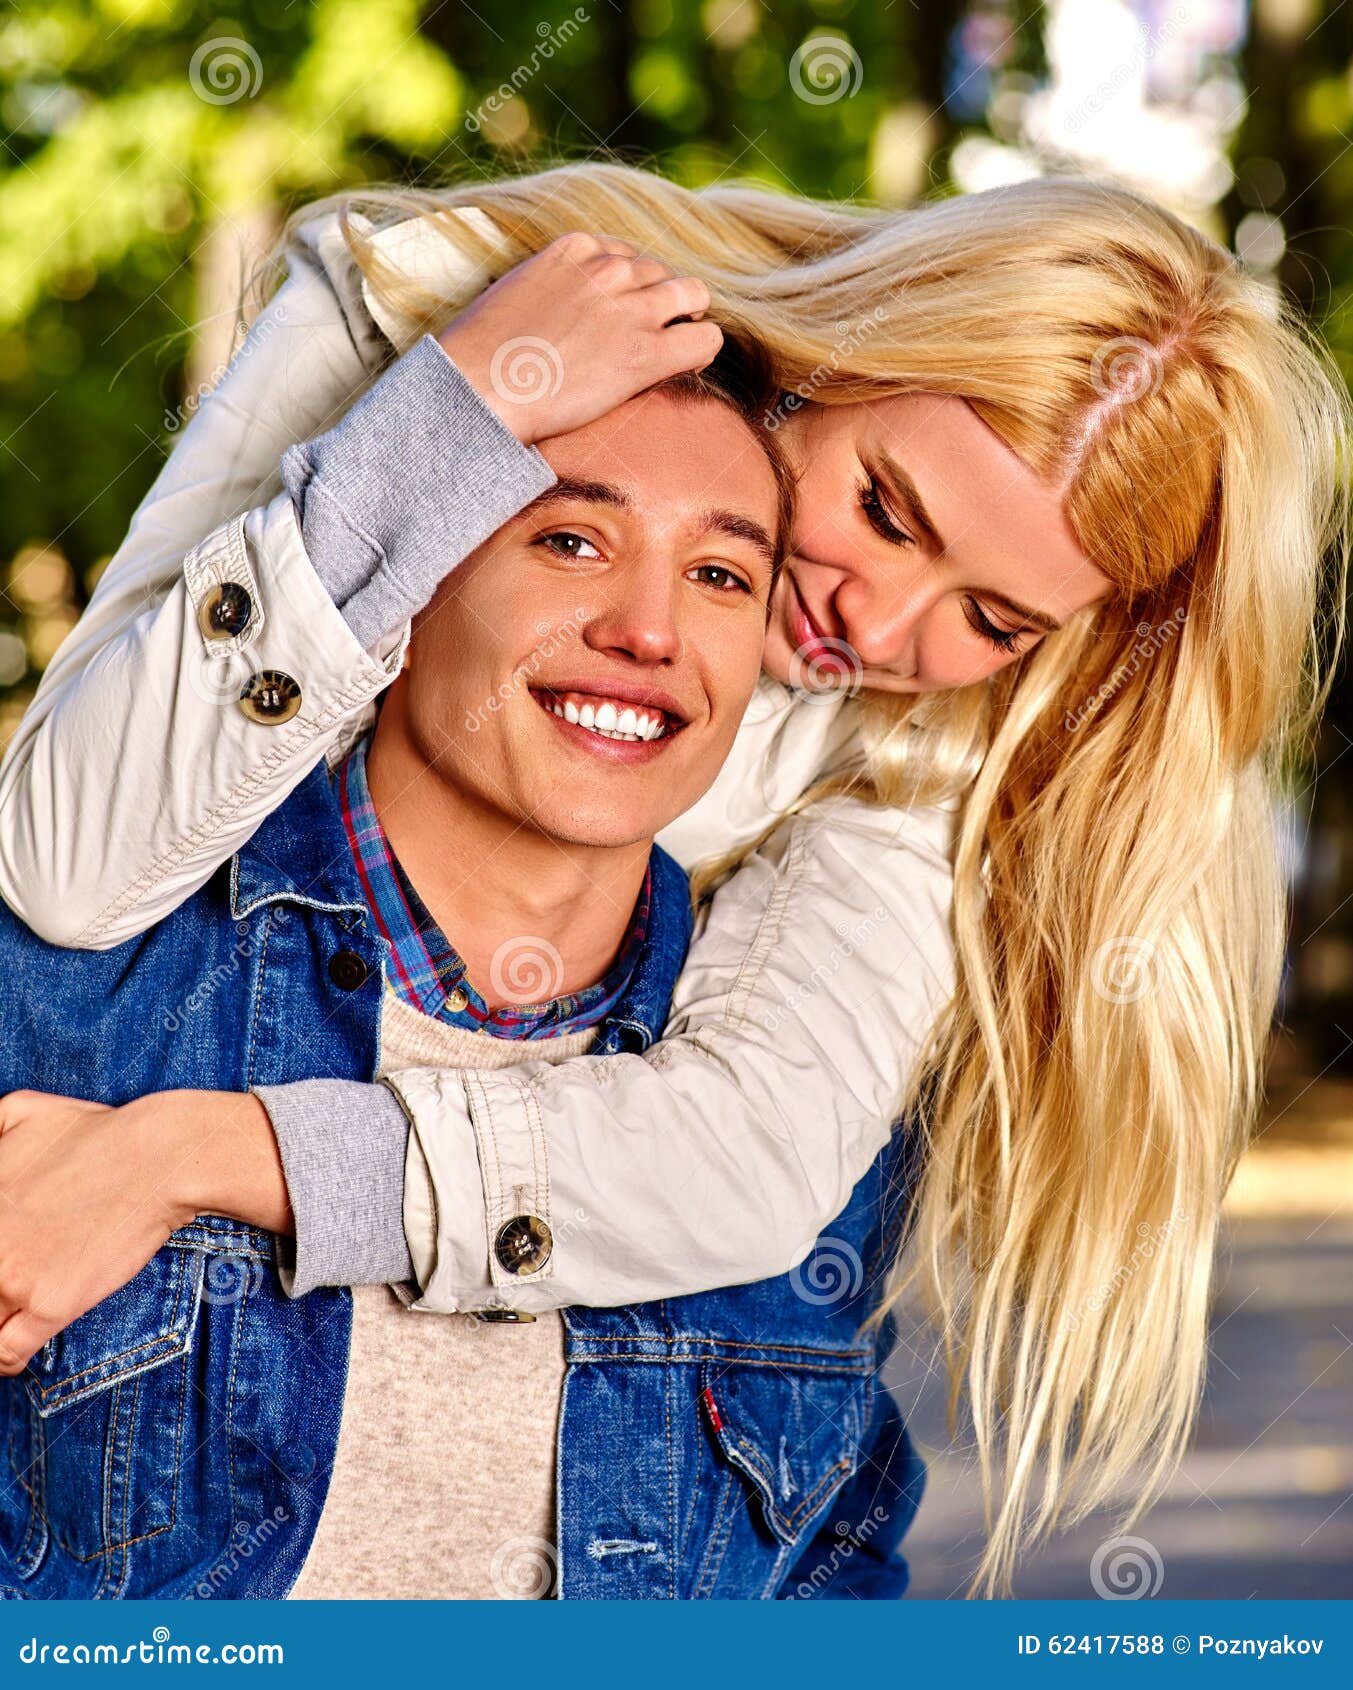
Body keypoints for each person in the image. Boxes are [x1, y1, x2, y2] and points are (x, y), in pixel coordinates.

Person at [0, 164, 1344, 1591]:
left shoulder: (937, 735)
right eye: (888, 511)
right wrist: (453, 415)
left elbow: (747, 1151)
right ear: (837, 350)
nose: (878, 621)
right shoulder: (417, 313)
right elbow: (67, 867)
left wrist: (203, 1157)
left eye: (994, 616)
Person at [0, 333, 923, 1601]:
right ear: (415, 577)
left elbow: (834, 1570)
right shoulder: (79, 996)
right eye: (571, 541)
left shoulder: (809, 1105)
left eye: (719, 573)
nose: (648, 628)